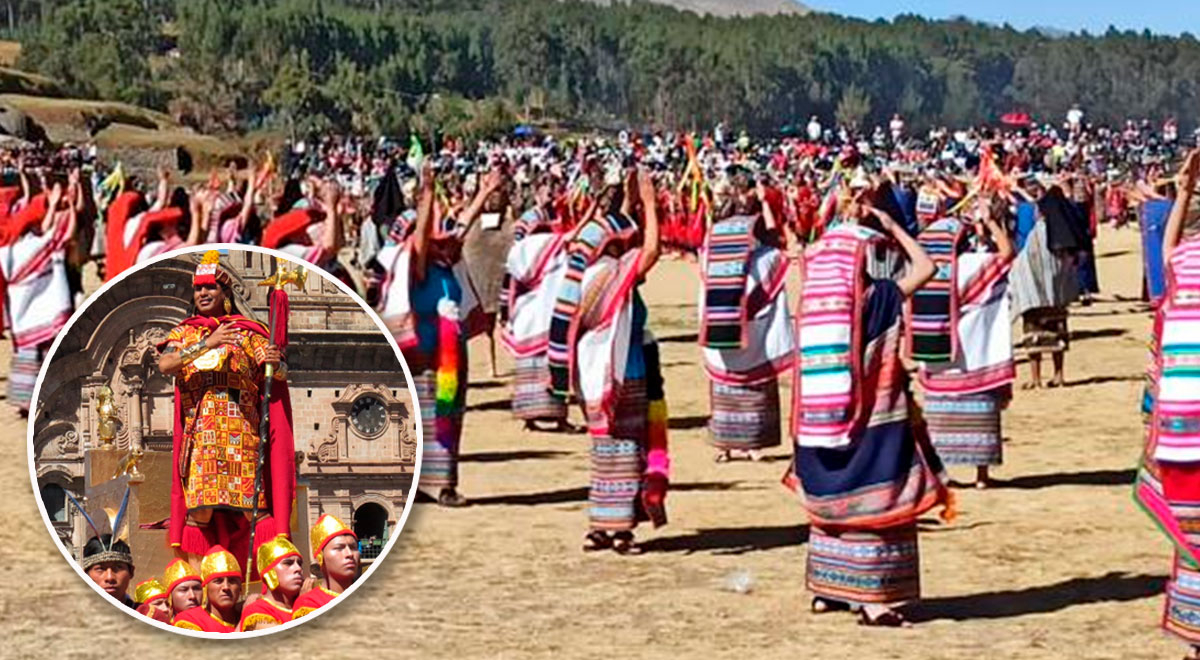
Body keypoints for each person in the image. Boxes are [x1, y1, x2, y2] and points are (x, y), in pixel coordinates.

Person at [791, 192, 951, 626]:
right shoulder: (877, 298)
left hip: (818, 425)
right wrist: (894, 228)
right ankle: (873, 598)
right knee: (876, 502)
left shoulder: (813, 307)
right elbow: (927, 267)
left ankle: (829, 588)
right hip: (872, 424)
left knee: (831, 502)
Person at [548, 165, 668, 555]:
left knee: (603, 452)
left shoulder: (582, 277)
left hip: (590, 374)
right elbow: (651, 251)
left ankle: (600, 524)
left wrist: (627, 200)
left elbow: (620, 236)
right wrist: (650, 204)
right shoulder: (614, 275)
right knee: (627, 450)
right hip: (623, 371)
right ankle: (620, 529)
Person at [156, 250, 295, 572]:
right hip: (200, 437)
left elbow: (278, 374)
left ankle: (268, 576)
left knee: (253, 507)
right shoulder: (185, 333)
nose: (203, 293)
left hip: (242, 434)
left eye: (210, 287)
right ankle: (201, 581)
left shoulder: (247, 332)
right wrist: (208, 343)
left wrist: (276, 362)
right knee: (200, 510)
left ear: (225, 293)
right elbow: (166, 364)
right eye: (198, 288)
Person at [376, 163, 493, 507]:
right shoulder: (417, 264)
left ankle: (441, 483)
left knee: (449, 413)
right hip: (425, 352)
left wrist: (484, 192)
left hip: (451, 349)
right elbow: (421, 240)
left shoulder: (445, 261)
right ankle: (430, 486)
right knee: (423, 416)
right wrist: (427, 197)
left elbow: (460, 228)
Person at [1136, 148, 1200, 659]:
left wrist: (1183, 192)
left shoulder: (1184, 268)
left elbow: (1168, 251)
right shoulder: (1187, 264)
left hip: (1180, 427)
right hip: (1186, 427)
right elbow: (1171, 250)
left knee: (1193, 538)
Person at [908, 197, 1015, 488]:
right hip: (975, 355)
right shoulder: (971, 265)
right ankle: (981, 476)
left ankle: (941, 474)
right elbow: (1007, 252)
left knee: (940, 420)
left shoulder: (924, 276)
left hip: (941, 359)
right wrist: (990, 222)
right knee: (980, 415)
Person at [698, 171, 794, 462]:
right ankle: (752, 444)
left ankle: (726, 445)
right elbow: (779, 244)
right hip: (753, 329)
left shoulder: (710, 252)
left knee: (726, 381)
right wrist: (764, 205)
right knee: (753, 381)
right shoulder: (766, 259)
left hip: (720, 321)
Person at [499, 182, 575, 432]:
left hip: (524, 315)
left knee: (527, 367)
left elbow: (508, 286)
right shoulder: (553, 246)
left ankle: (528, 417)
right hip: (549, 312)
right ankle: (559, 417)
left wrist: (505, 315)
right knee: (554, 365)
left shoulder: (518, 252)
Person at [1010, 178, 1082, 388]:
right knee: (1058, 335)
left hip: (1035, 296)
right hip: (1057, 295)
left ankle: (1036, 378)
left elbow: (1026, 262)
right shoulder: (1064, 231)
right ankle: (1059, 375)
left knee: (1034, 335)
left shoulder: (1040, 232)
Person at [292, 514, 361, 619]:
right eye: (339, 548)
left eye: (353, 547)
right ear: (320, 557)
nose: (349, 554)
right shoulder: (309, 604)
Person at [239, 535, 305, 631]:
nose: (298, 568)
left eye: (300, 563)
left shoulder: (310, 603)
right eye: (288, 563)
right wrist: (303, 606)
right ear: (270, 571)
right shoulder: (257, 611)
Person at [173, 545, 242, 633]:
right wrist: (243, 622)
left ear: (240, 587)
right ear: (205, 587)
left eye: (232, 581)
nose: (226, 587)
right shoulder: (189, 620)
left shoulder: (252, 615)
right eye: (218, 581)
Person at [81, 534, 136, 608]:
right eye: (100, 569)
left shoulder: (147, 613)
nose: (110, 577)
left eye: (118, 567)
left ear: (131, 572)